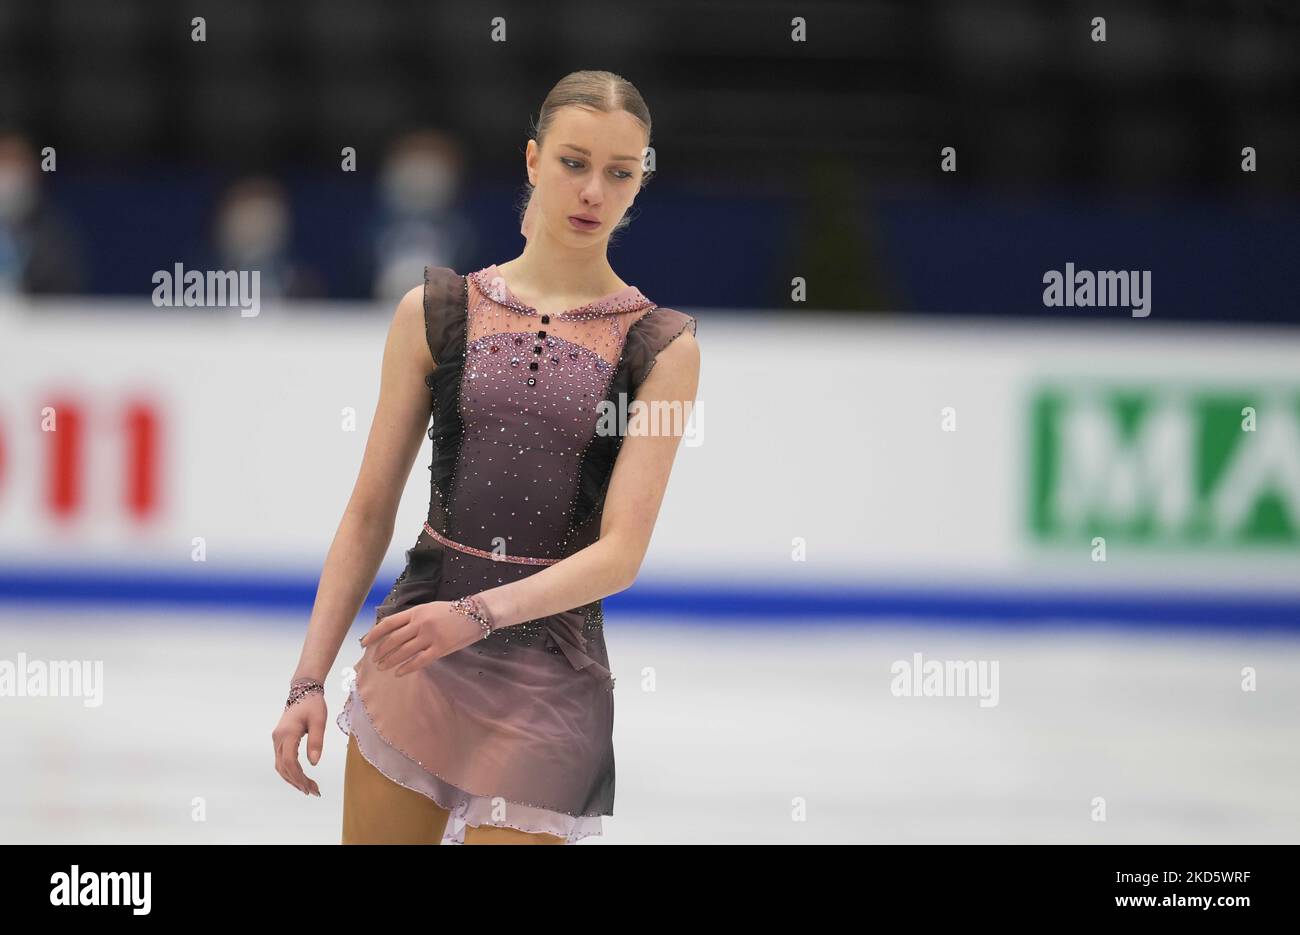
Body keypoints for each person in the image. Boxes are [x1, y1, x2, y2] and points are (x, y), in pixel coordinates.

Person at [271, 69, 701, 844]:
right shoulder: (434, 311)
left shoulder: (662, 349)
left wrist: (477, 615)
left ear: (640, 183)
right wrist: (309, 676)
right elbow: (368, 512)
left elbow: (623, 552)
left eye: (619, 172)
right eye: (574, 162)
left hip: (550, 680)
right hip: (415, 656)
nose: (593, 191)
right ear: (533, 161)